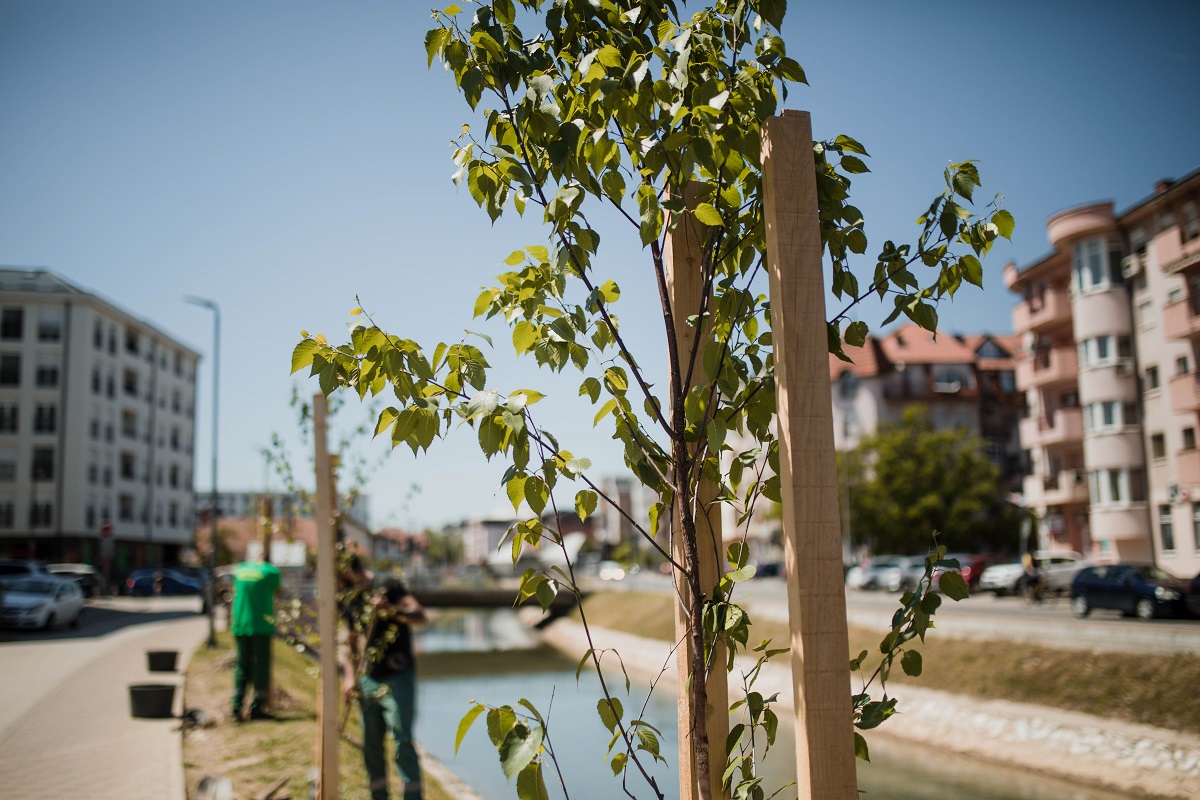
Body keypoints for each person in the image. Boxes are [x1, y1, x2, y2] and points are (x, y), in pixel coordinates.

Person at [340, 555, 427, 800]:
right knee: (371, 745)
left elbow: (420, 616)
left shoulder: (388, 586)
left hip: (398, 676)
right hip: (367, 679)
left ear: (348, 570)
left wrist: (392, 611)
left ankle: (412, 796)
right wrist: (349, 678)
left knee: (402, 741)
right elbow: (350, 642)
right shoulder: (347, 598)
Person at [229, 556, 281, 721]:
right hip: (261, 626)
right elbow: (279, 591)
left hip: (240, 625)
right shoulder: (271, 572)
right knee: (261, 666)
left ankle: (237, 705)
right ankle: (257, 707)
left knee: (242, 665)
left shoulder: (240, 570)